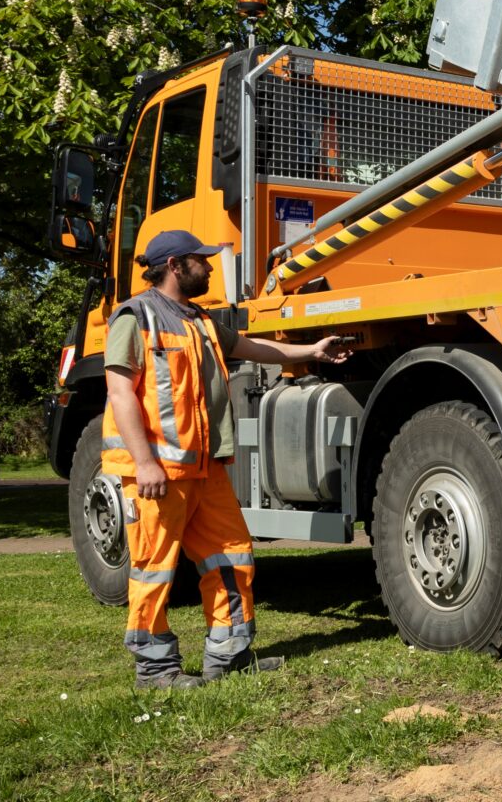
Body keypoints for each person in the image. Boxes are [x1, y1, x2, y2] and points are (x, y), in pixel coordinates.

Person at [103, 229, 351, 689]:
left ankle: (228, 656)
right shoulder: (133, 317)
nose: (211, 266)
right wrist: (145, 463)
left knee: (233, 557)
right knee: (154, 568)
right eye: (202, 260)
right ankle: (155, 669)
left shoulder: (199, 320)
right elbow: (120, 392)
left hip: (205, 469)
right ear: (176, 265)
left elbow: (252, 348)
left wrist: (311, 351)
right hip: (160, 472)